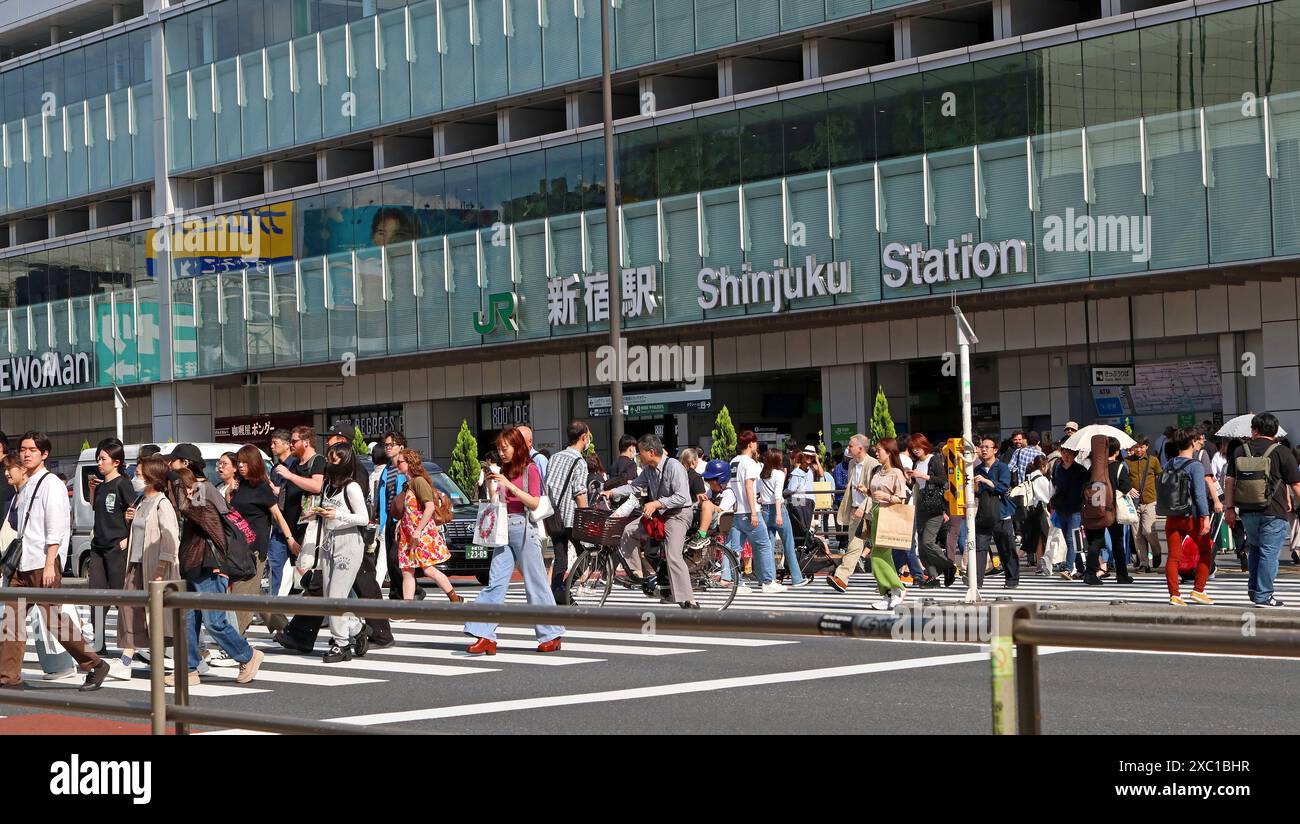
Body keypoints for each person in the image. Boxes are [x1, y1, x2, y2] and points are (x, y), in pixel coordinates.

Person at [0, 432, 111, 691]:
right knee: (11, 623)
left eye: (32, 450)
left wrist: (51, 563)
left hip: (43, 562)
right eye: (23, 449)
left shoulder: (51, 484)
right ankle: (8, 678)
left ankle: (95, 665)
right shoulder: (26, 486)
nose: (26, 454)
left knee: (55, 622)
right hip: (22, 564)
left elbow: (56, 528)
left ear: (45, 454)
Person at [465, 427, 565, 654]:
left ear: (517, 446)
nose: (501, 453)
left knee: (535, 582)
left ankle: (551, 633)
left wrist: (509, 485)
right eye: (499, 449)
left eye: (505, 448)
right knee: (495, 582)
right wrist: (493, 487)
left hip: (524, 528)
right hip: (503, 529)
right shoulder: (504, 470)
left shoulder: (530, 469)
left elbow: (535, 502)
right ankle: (484, 634)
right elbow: (498, 502)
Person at [167, 466, 264, 687]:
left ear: (186, 488)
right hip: (193, 570)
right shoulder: (192, 508)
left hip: (210, 569)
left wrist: (173, 476)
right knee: (188, 621)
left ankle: (248, 655)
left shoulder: (202, 505)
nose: (172, 496)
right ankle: (189, 669)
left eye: (175, 490)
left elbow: (184, 505)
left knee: (215, 621)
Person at [602, 434, 701, 607]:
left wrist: (656, 503)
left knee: (673, 555)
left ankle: (689, 598)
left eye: (640, 452)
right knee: (629, 530)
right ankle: (637, 573)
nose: (638, 455)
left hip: (678, 514)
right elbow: (634, 486)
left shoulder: (674, 467)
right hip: (659, 514)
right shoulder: (648, 470)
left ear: (651, 452)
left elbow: (682, 497)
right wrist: (612, 492)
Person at [299, 443, 374, 662]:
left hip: (348, 542)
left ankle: (341, 644)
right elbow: (328, 513)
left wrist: (338, 515)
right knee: (329, 595)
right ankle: (356, 626)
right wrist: (316, 513)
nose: (329, 463)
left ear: (345, 462)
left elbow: (363, 518)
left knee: (336, 596)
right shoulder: (327, 486)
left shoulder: (351, 487)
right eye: (329, 459)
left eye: (334, 459)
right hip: (328, 541)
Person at [1225, 413, 1300, 608]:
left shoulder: (1241, 451)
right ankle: (1264, 595)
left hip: (1247, 510)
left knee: (1256, 550)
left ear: (1255, 430)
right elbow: (1295, 484)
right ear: (1275, 431)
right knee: (1269, 553)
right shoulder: (1282, 452)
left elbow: (1229, 481)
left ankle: (1254, 589)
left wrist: (1229, 508)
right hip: (1274, 510)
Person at [115, 455, 179, 677]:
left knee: (155, 616)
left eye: (139, 475)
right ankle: (127, 658)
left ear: (152, 477)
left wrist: (162, 568)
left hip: (153, 568)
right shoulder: (141, 501)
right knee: (129, 610)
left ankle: (180, 659)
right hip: (135, 565)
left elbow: (171, 539)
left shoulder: (162, 504)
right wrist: (129, 520)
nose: (135, 478)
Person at [228, 444, 297, 635]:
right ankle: (286, 629)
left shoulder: (262, 487)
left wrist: (290, 539)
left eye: (244, 462)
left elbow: (277, 515)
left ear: (254, 463)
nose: (240, 466)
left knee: (242, 595)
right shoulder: (238, 485)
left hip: (255, 549)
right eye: (239, 462)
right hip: (237, 548)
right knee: (255, 594)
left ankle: (237, 640)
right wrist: (229, 491)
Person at [394, 448, 462, 606]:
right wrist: (401, 522)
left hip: (420, 533)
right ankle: (408, 609)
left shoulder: (418, 482)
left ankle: (455, 599)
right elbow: (411, 509)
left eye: (400, 462)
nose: (397, 464)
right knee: (407, 570)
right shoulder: (409, 483)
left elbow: (429, 507)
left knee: (428, 569)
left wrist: (417, 531)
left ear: (410, 463)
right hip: (409, 533)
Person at [86, 438, 135, 654]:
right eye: (98, 458)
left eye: (103, 458)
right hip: (98, 548)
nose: (99, 462)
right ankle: (98, 644)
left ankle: (131, 645)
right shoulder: (100, 484)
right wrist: (91, 491)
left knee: (120, 597)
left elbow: (136, 512)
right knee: (96, 597)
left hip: (117, 548)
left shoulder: (123, 484)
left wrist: (128, 538)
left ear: (116, 462)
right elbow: (97, 510)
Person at [726, 430, 785, 594]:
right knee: (764, 545)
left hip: (737, 511)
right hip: (749, 511)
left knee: (735, 549)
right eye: (755, 442)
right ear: (751, 444)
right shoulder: (749, 463)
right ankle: (767, 581)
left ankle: (737, 583)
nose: (756, 445)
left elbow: (732, 487)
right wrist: (753, 512)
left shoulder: (734, 462)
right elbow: (749, 487)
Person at [1163, 427, 1214, 606]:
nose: (1200, 442)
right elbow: (1200, 495)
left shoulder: (1168, 464)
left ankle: (1175, 595)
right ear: (1192, 442)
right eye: (1198, 439)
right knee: (1206, 551)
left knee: (1173, 557)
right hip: (1191, 517)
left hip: (1172, 515)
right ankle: (1198, 590)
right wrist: (1205, 517)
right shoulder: (1195, 466)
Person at [826, 434, 880, 593]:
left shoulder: (873, 464)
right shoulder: (850, 464)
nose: (847, 448)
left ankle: (886, 581)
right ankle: (841, 578)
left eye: (850, 446)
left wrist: (863, 506)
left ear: (860, 448)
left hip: (871, 510)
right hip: (855, 511)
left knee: (878, 548)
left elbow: (875, 491)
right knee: (854, 546)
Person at [862, 438, 911, 609]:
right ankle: (888, 593)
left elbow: (901, 498)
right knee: (880, 555)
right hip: (875, 514)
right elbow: (874, 493)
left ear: (889, 452)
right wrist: (866, 491)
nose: (876, 453)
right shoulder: (878, 471)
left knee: (877, 555)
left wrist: (887, 497)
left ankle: (897, 588)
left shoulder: (896, 473)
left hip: (888, 514)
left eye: (879, 450)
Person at [545, 422, 591, 603]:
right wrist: (586, 515)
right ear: (583, 437)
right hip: (571, 518)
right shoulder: (579, 461)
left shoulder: (555, 457)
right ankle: (565, 590)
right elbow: (579, 492)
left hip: (553, 516)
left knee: (560, 558)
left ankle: (558, 595)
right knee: (587, 554)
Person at [1082, 437, 1133, 586]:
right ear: (1116, 452)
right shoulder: (1118, 467)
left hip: (1096, 508)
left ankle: (1090, 573)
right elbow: (1125, 487)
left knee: (1096, 541)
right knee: (1117, 542)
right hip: (1114, 510)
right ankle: (1122, 575)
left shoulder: (1094, 468)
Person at [908, 434, 955, 588]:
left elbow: (943, 480)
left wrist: (924, 476)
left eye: (918, 447)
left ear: (924, 445)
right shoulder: (916, 463)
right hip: (921, 503)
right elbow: (915, 484)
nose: (916, 450)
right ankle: (933, 577)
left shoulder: (933, 459)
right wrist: (910, 478)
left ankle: (948, 566)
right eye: (913, 448)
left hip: (935, 505)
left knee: (928, 542)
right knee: (921, 546)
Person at [973, 437, 1018, 588]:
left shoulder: (1002, 467)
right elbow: (976, 494)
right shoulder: (976, 469)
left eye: (987, 447)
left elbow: (1004, 488)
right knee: (980, 548)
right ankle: (977, 583)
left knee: (1006, 548)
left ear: (995, 450)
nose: (984, 450)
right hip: (983, 514)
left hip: (1001, 513)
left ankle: (1011, 580)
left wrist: (986, 482)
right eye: (981, 447)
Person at [759, 450, 807, 588]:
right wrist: (779, 514)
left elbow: (761, 494)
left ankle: (769, 578)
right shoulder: (779, 474)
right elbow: (778, 495)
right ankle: (797, 578)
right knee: (788, 544)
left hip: (765, 510)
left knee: (768, 546)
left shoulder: (762, 475)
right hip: (777, 510)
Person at [375, 431, 411, 600]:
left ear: (401, 447)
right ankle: (398, 594)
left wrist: (404, 517)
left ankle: (409, 593)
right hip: (389, 517)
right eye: (386, 445)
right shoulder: (387, 469)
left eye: (391, 445)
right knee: (391, 561)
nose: (387, 448)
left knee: (396, 558)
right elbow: (382, 494)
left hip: (403, 518)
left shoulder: (405, 469)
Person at [1125, 436, 1163, 572]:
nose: (1138, 449)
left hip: (1150, 500)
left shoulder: (1153, 461)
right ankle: (1144, 563)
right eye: (1136, 447)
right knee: (1137, 534)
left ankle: (1157, 551)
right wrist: (1128, 488)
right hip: (1133, 503)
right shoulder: (1127, 462)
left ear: (1146, 447)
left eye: (1141, 447)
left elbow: (1160, 477)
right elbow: (1123, 479)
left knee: (1148, 530)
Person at [266, 430, 296, 598]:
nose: (272, 447)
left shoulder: (296, 465)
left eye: (275, 443)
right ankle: (270, 606)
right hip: (278, 527)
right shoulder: (275, 468)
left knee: (307, 568)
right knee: (273, 566)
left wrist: (277, 490)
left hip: (295, 525)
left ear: (287, 445)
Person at [1052, 446, 1089, 580]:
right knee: (1073, 540)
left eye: (1069, 453)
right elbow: (1055, 484)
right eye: (1063, 453)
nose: (1066, 456)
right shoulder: (1058, 468)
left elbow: (1087, 487)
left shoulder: (1080, 470)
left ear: (1075, 454)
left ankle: (1068, 568)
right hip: (1061, 507)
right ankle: (1081, 569)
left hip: (1075, 509)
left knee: (1071, 537)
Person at [1021, 455, 1054, 575]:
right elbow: (1048, 496)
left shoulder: (1030, 476)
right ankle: (1010, 561)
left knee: (1038, 539)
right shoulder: (1041, 479)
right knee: (1044, 537)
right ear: (1043, 466)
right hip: (1040, 511)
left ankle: (1040, 565)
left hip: (1031, 511)